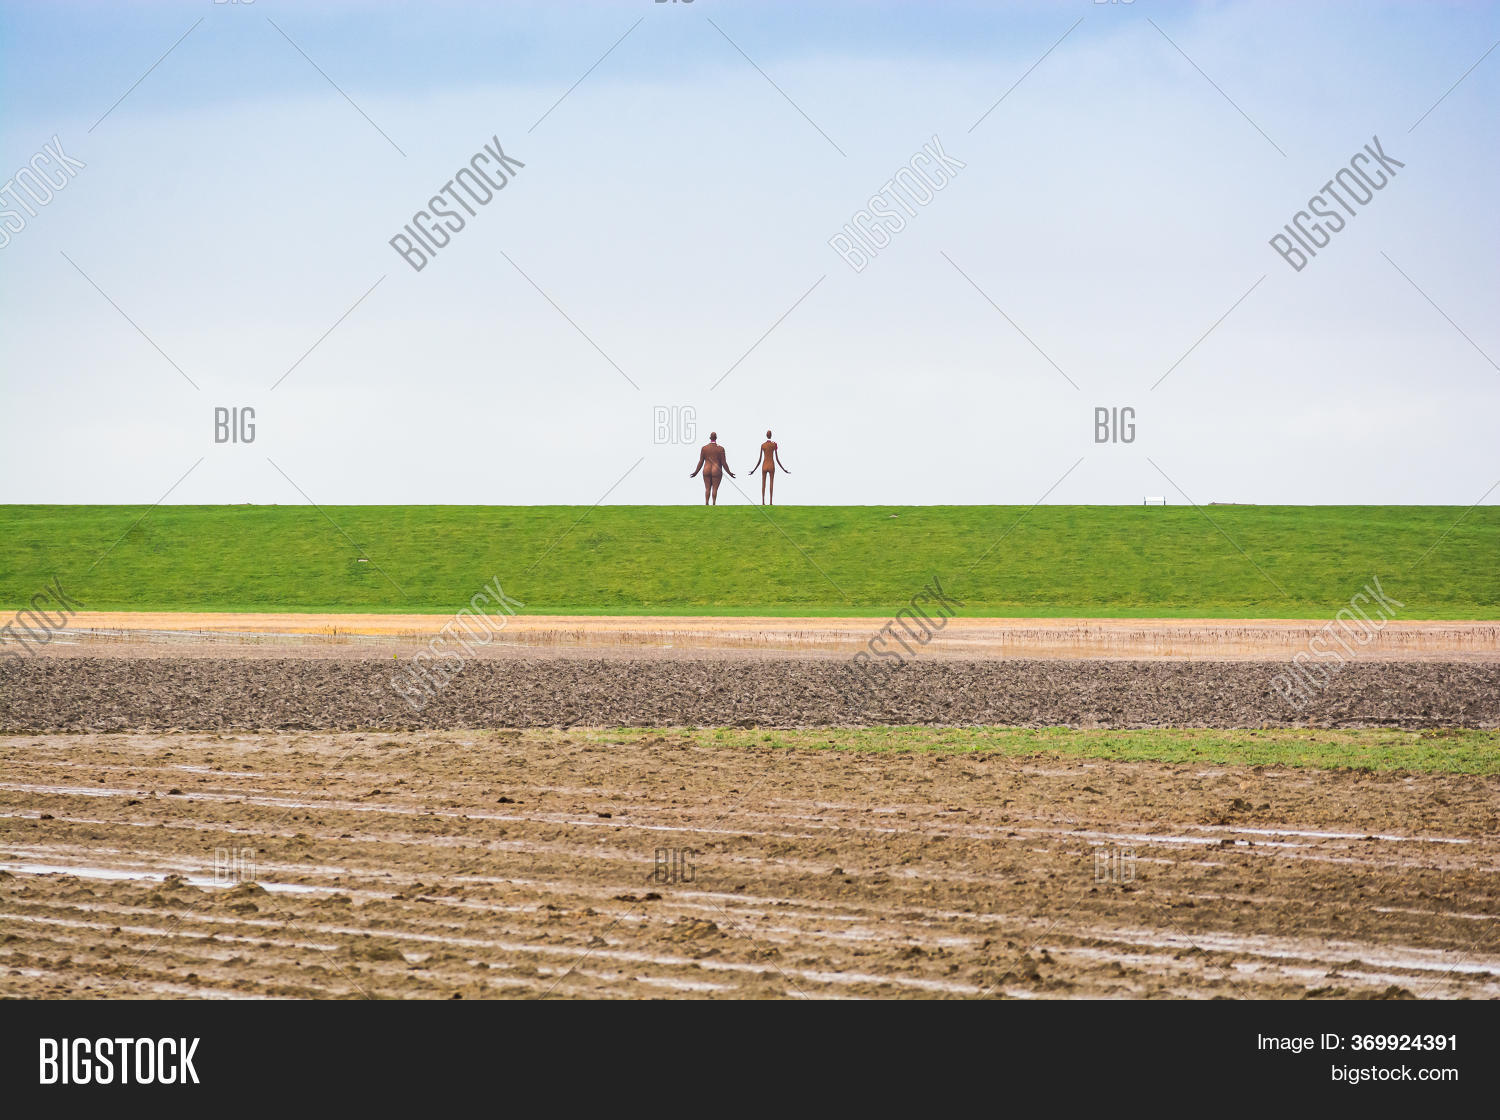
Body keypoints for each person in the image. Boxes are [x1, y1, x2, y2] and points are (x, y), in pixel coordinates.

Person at [689, 431, 734, 505]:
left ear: (710, 438)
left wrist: (696, 472)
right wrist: (729, 473)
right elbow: (724, 463)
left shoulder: (704, 448)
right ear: (716, 438)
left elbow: (701, 462)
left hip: (706, 469)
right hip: (716, 470)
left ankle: (706, 503)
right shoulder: (721, 449)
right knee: (715, 488)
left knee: (707, 488)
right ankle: (713, 503)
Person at [747, 429, 789, 505]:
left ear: (766, 435)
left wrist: (754, 470)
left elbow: (759, 459)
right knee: (771, 483)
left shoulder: (763, 445)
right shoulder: (774, 445)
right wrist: (783, 469)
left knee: (763, 483)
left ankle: (763, 502)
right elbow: (777, 458)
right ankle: (770, 502)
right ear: (771, 435)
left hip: (764, 465)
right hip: (771, 465)